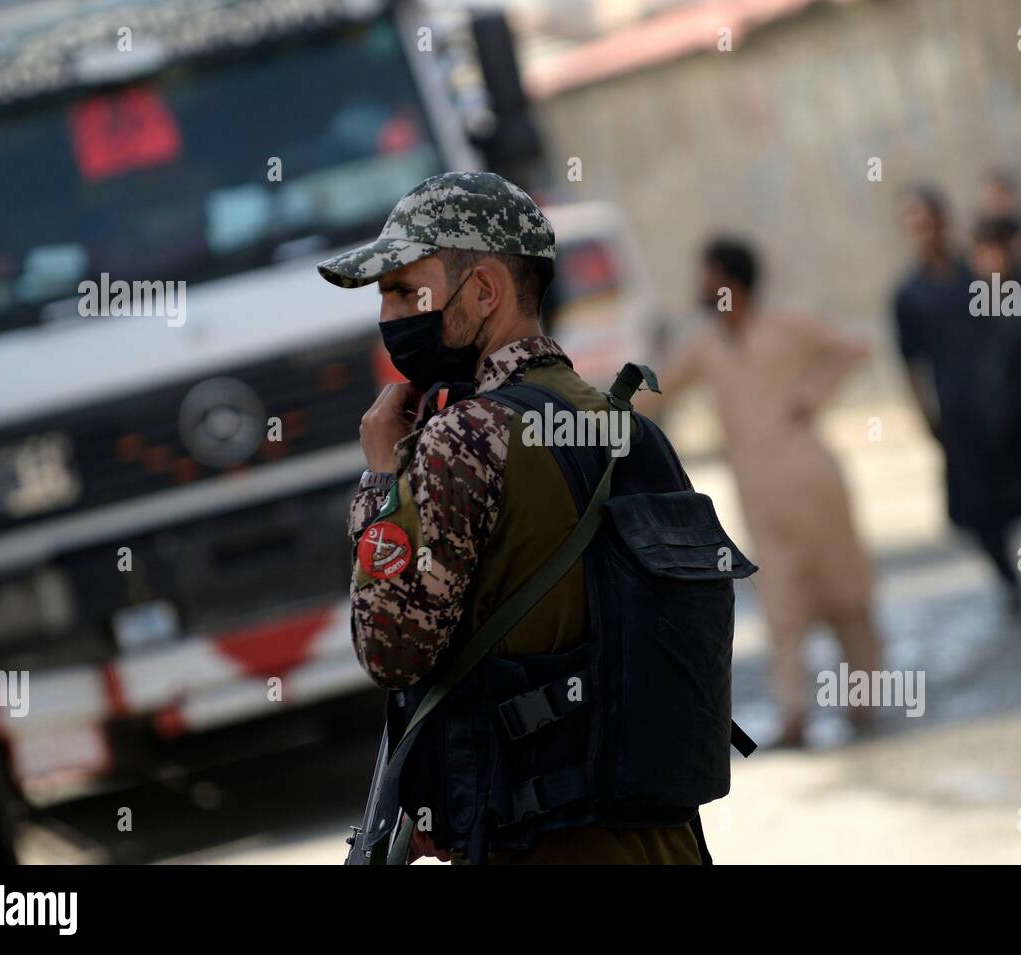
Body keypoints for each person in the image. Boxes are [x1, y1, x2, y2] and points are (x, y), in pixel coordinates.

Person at [319, 172, 752, 864]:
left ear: (484, 291)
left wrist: (380, 477)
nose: (391, 313)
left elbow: (389, 645)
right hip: (667, 840)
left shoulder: (462, 438)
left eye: (405, 290)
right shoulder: (624, 424)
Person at [640, 238, 880, 748]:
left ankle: (866, 702)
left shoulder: (787, 324)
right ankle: (794, 715)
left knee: (846, 594)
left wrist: (813, 394)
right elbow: (654, 395)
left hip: (814, 481)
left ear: (731, 280)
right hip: (761, 497)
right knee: (782, 607)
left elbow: (856, 346)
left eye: (708, 276)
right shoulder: (705, 344)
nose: (702, 288)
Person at [892, 188, 1021, 616]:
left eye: (929, 222)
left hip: (1017, 409)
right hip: (962, 416)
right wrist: (928, 420)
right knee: (981, 508)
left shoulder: (980, 270)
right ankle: (1012, 584)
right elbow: (911, 365)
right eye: (914, 225)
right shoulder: (908, 296)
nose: (924, 232)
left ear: (945, 221)